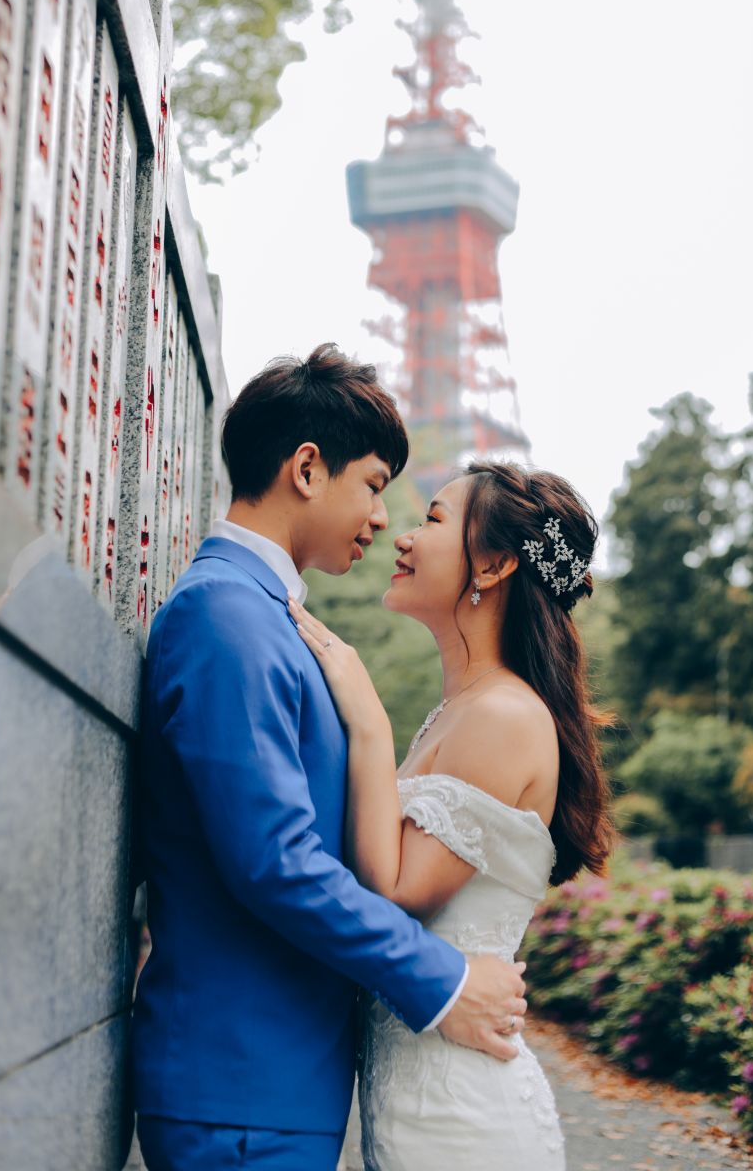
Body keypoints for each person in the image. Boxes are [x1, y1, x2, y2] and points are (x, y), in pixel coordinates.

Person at [131, 347, 528, 1171]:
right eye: (376, 485)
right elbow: (274, 863)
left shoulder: (261, 617)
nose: (383, 518)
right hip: (240, 1090)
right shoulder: (226, 619)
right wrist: (445, 983)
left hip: (270, 1085)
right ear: (308, 468)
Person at [294, 460, 614, 1170]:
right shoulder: (460, 713)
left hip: (463, 1120)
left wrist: (368, 721)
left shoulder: (502, 714)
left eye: (433, 519)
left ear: (494, 563)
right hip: (422, 1101)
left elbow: (397, 893)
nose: (401, 538)